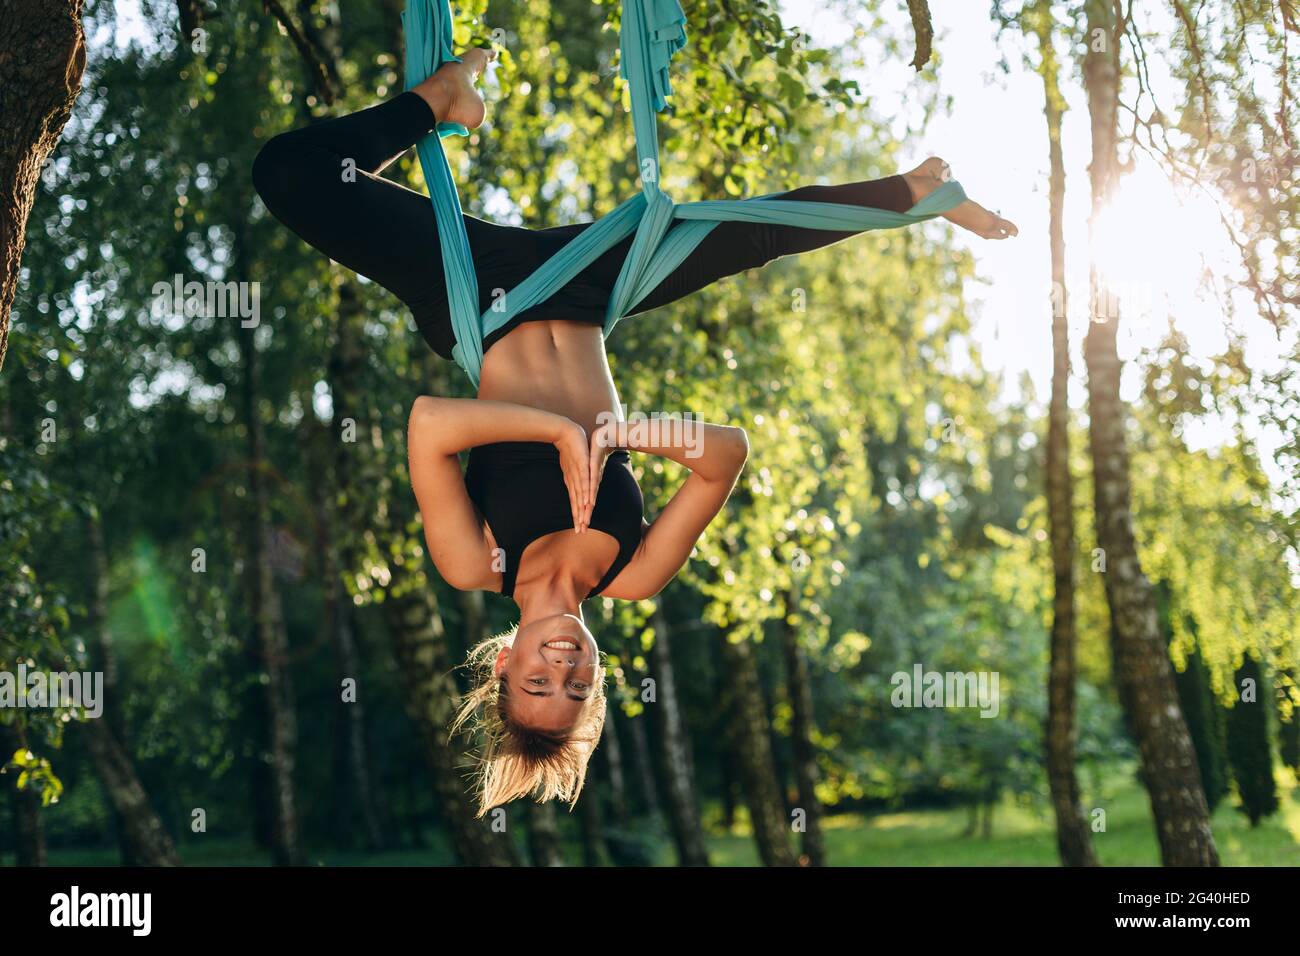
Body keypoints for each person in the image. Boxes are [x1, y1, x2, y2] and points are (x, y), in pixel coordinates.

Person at [251, 47, 1018, 815]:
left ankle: (437, 99)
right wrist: (621, 435)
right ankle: (917, 189)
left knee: (288, 174)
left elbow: (430, 425)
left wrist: (561, 435)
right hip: (591, 287)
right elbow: (725, 456)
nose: (562, 667)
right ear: (599, 677)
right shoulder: (632, 573)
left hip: (470, 291)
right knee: (751, 233)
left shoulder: (473, 559)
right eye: (578, 687)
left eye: (538, 682)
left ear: (501, 667)